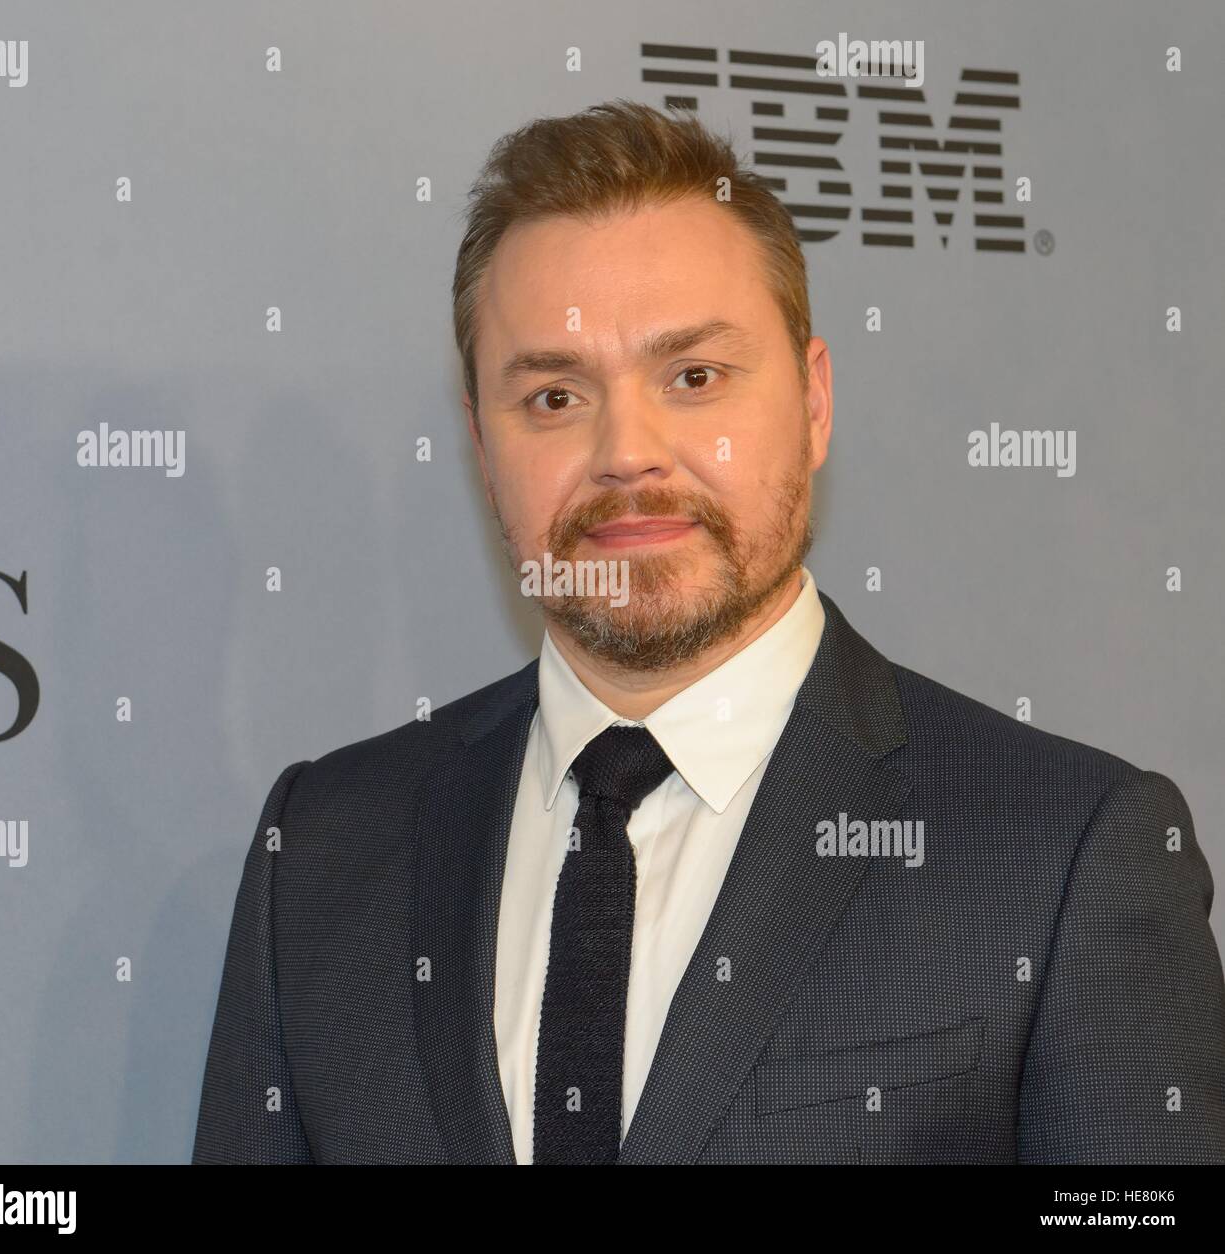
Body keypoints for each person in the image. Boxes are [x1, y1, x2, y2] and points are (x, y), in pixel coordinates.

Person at [193, 99, 1225, 1164]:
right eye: (552, 395)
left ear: (815, 403)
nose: (626, 452)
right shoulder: (321, 853)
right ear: (478, 441)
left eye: (693, 378)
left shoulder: (1061, 855)